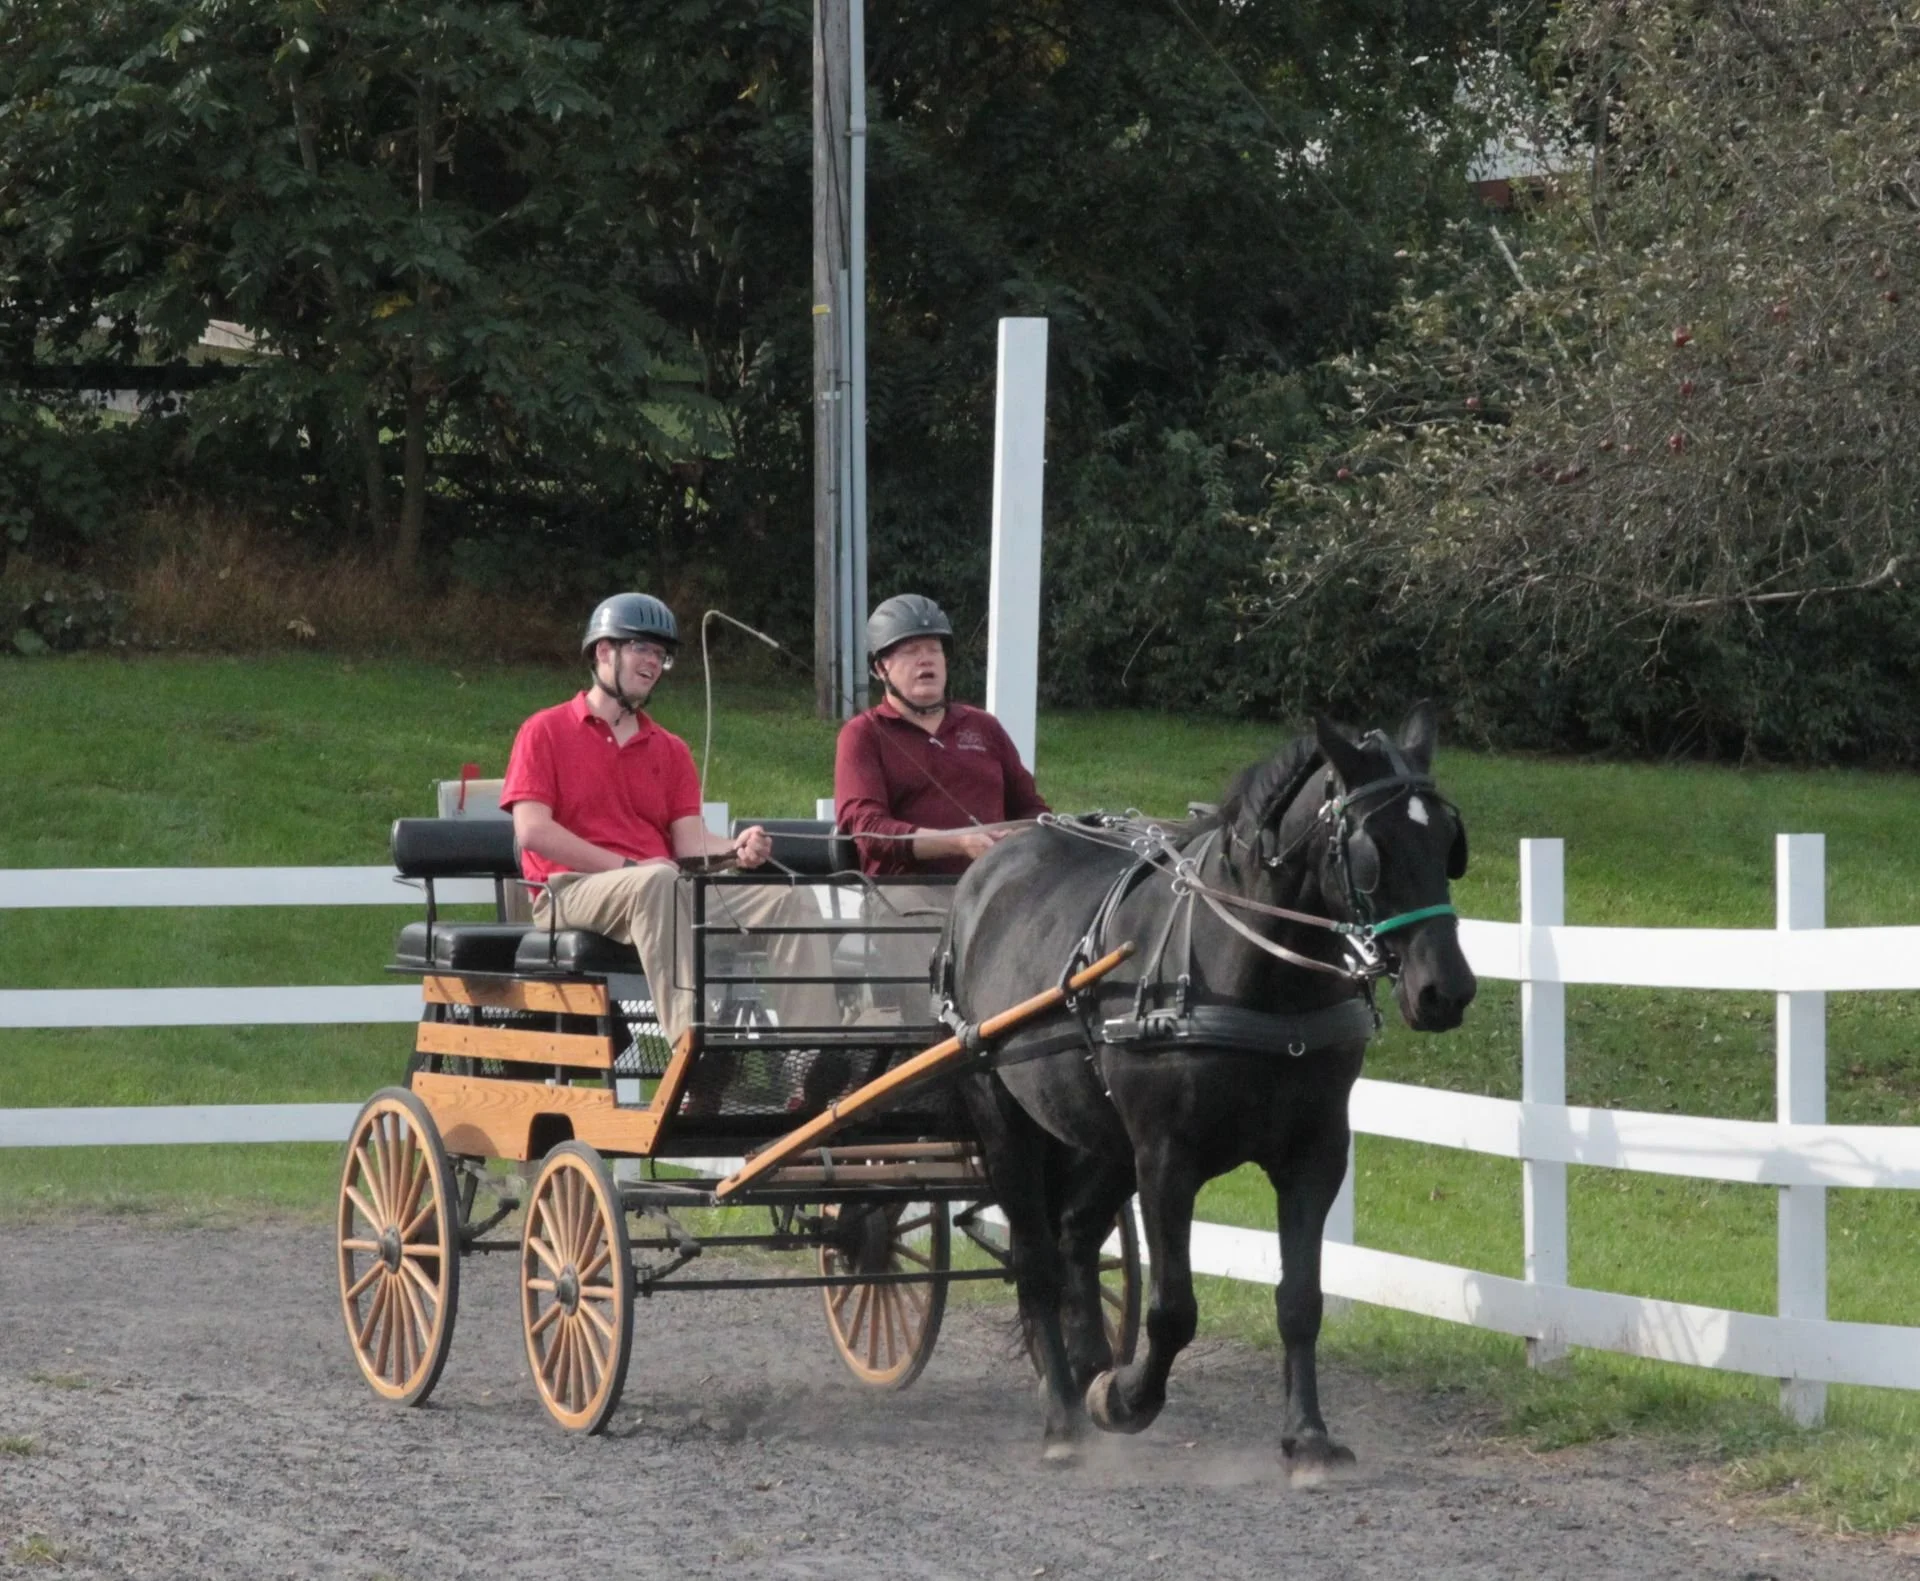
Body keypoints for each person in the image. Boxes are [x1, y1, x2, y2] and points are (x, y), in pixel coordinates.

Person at [501, 592, 837, 1047]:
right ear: (604, 651)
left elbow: (689, 841)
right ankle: (695, 1047)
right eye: (642, 647)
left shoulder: (669, 748)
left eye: (661, 654)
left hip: (661, 889)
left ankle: (818, 1054)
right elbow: (533, 831)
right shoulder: (545, 730)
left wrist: (735, 847)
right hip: (569, 891)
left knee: (789, 900)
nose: (654, 662)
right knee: (659, 880)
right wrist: (628, 869)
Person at [834, 593, 1051, 875]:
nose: (926, 660)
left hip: (996, 886)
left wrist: (1015, 838)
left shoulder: (984, 726)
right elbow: (870, 831)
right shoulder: (863, 734)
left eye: (934, 649)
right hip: (904, 895)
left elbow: (1033, 811)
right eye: (912, 651)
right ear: (880, 668)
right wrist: (958, 843)